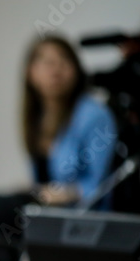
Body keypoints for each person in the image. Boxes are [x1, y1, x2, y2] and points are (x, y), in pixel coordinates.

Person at [21, 35, 117, 208]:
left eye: (64, 61)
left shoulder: (94, 115)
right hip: (46, 212)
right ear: (30, 72)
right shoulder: (37, 118)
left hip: (80, 215)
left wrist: (65, 193)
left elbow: (101, 185)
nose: (56, 70)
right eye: (48, 63)